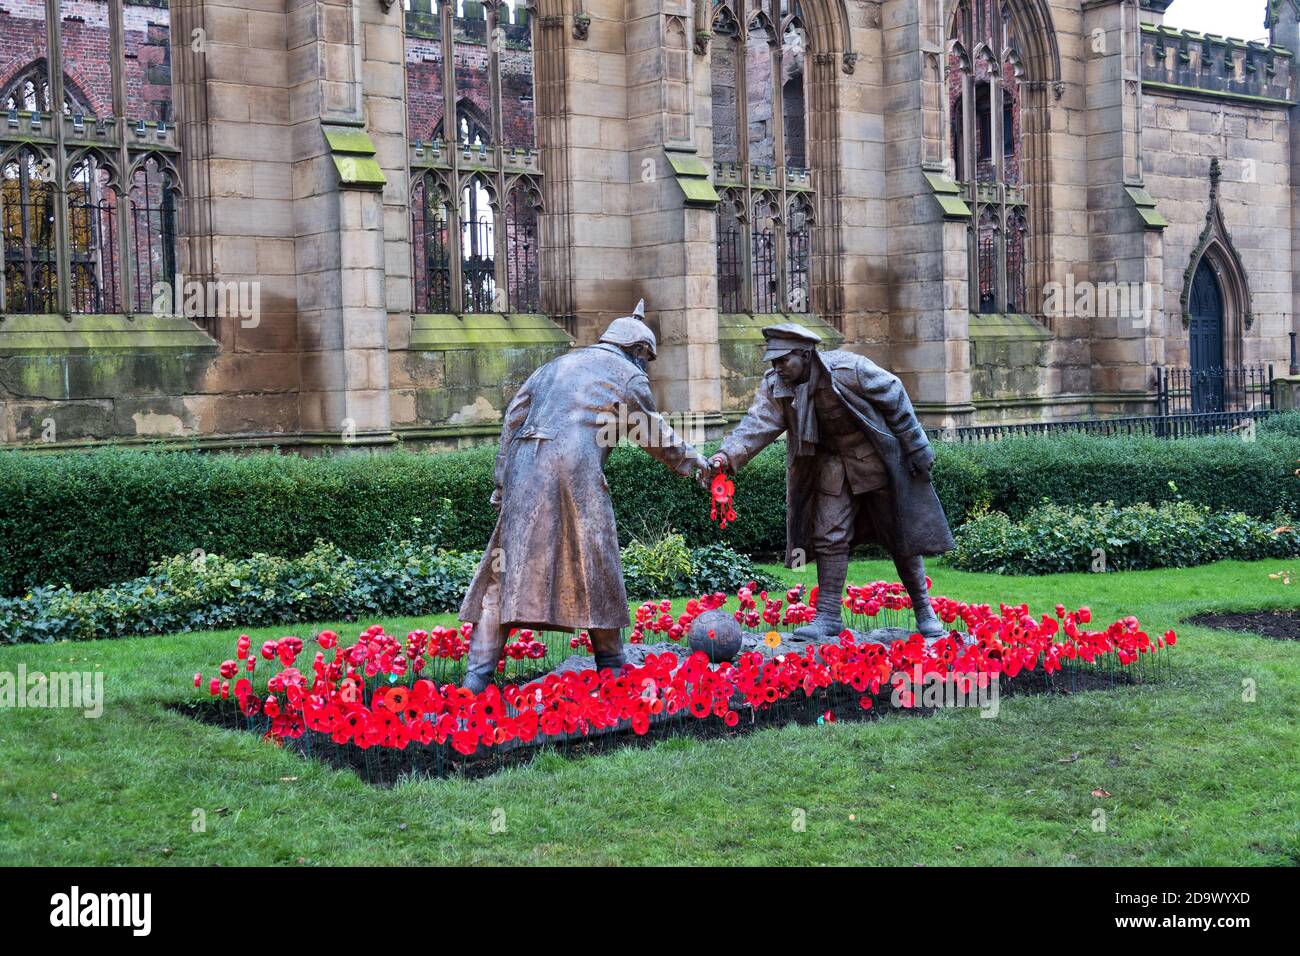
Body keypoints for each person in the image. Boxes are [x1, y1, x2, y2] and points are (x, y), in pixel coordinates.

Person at [458, 301, 711, 692]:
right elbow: (654, 434)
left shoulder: (556, 366)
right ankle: (611, 665)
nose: (648, 368)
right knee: (597, 560)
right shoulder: (628, 376)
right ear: (639, 352)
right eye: (648, 359)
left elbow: (513, 419)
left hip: (525, 467)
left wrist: (501, 483)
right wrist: (698, 465)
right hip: (573, 469)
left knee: (503, 572)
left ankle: (475, 682)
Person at [709, 323, 956, 640]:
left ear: (805, 354)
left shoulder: (848, 368)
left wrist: (917, 445)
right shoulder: (777, 385)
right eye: (773, 361)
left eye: (783, 359)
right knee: (828, 535)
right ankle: (827, 616)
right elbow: (757, 424)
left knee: (900, 534)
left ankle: (924, 611)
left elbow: (894, 393)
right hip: (831, 465)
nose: (778, 367)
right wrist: (724, 456)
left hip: (874, 460)